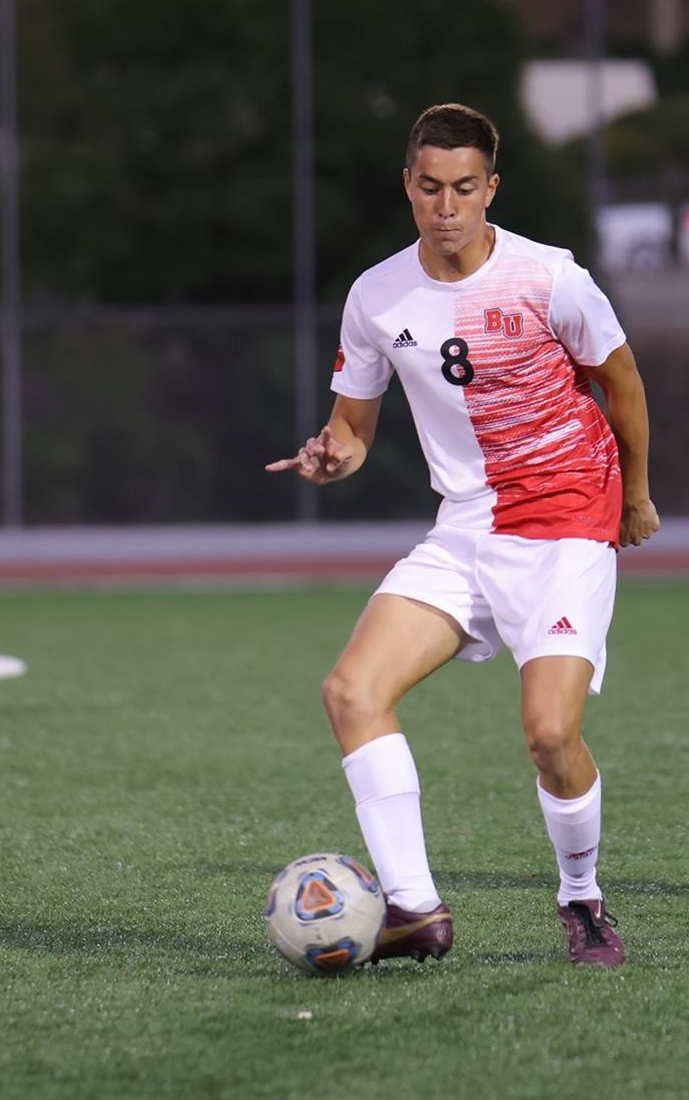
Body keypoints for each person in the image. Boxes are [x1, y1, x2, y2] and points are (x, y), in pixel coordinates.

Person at [267, 103, 658, 966]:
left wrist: (636, 492)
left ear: (492, 189)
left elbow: (622, 382)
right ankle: (413, 910)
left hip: (562, 523)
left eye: (465, 188)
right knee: (351, 691)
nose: (447, 206)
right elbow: (354, 427)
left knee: (551, 734)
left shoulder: (551, 277)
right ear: (408, 184)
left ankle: (582, 898)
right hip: (464, 530)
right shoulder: (376, 295)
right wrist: (335, 454)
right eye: (431, 187)